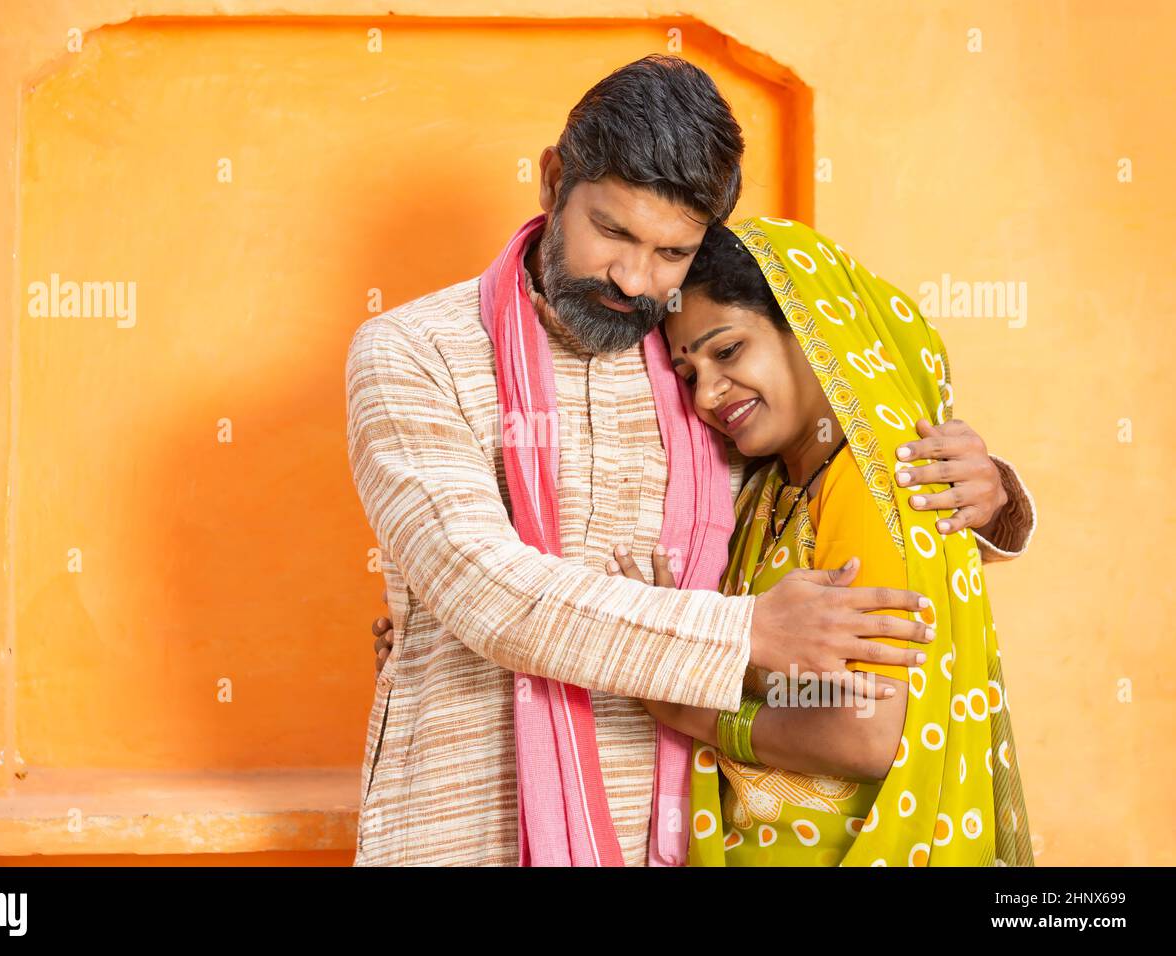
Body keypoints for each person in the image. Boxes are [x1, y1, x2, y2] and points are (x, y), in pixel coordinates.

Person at [349, 56, 1035, 866]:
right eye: (612, 231)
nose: (634, 278)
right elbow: (482, 584)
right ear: (553, 181)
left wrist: (985, 502)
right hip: (464, 813)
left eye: (672, 252)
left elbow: (820, 484)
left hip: (679, 828)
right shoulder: (412, 353)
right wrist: (747, 631)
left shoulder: (694, 357)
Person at [603, 218, 1033, 865]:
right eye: (688, 373)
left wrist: (694, 712)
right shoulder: (768, 488)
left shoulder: (867, 474)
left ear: (807, 328)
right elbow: (792, 678)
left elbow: (867, 734)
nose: (707, 394)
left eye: (727, 351)